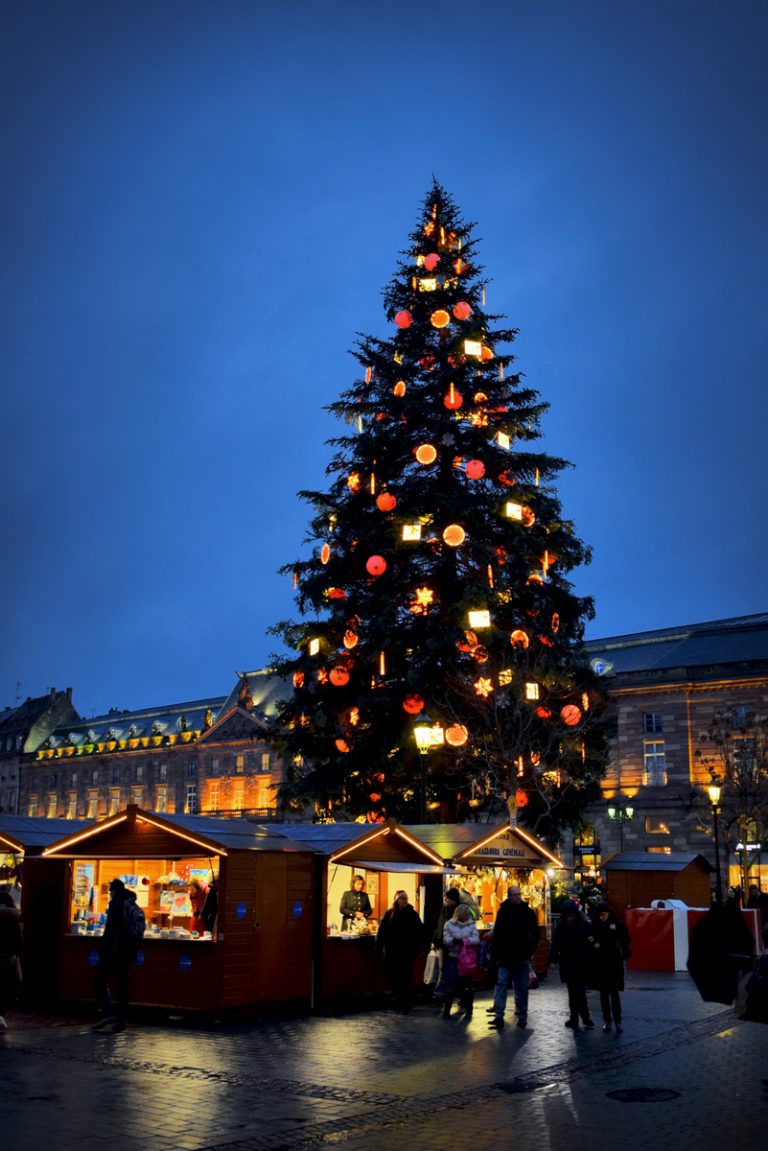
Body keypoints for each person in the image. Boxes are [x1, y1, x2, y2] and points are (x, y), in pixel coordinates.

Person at [93, 878, 145, 1033]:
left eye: (110, 892)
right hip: (127, 953)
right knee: (122, 987)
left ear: (113, 891)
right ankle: (120, 1020)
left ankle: (109, 1013)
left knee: (100, 981)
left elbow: (110, 931)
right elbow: (137, 931)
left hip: (113, 951)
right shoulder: (134, 906)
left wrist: (105, 949)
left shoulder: (117, 905)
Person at [487, 884, 540, 1029]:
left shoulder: (528, 913)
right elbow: (497, 932)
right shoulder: (503, 912)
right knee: (502, 984)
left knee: (521, 986)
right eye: (515, 894)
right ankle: (499, 1015)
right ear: (509, 896)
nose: (517, 897)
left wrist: (529, 951)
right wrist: (497, 952)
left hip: (521, 955)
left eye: (519, 894)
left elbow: (535, 934)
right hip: (505, 955)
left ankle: (522, 1015)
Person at [550, 899, 595, 1030]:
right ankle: (579, 1018)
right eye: (567, 916)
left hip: (578, 962)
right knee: (574, 991)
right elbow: (555, 943)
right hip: (570, 962)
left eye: (571, 916)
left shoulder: (577, 926)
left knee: (578, 991)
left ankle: (579, 1018)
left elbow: (588, 943)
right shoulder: (567, 926)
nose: (569, 919)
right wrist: (553, 959)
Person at [376, 890, 425, 1008]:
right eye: (402, 899)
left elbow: (419, 931)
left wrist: (418, 947)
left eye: (406, 899)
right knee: (394, 973)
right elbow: (382, 931)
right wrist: (380, 945)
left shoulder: (412, 914)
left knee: (406, 973)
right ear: (397, 900)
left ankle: (403, 996)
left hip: (407, 950)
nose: (405, 901)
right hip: (393, 949)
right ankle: (396, 994)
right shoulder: (389, 913)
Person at [588, 902, 631, 1032]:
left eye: (603, 914)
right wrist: (594, 943)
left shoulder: (617, 923)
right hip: (601, 963)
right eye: (599, 915)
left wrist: (616, 943)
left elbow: (626, 939)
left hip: (613, 962)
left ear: (608, 913)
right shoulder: (595, 924)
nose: (601, 917)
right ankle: (607, 1021)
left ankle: (617, 1020)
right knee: (604, 994)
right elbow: (589, 937)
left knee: (614, 993)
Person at [441, 903, 480, 1019]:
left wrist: (465, 941)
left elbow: (476, 939)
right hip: (453, 956)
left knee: (468, 983)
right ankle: (446, 1010)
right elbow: (446, 939)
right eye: (467, 914)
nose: (469, 916)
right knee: (451, 982)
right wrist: (453, 941)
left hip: (467, 959)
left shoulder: (471, 924)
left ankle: (469, 1010)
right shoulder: (449, 924)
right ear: (461, 914)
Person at [431, 888, 461, 1001]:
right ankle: (440, 994)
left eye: (447, 898)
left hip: (453, 945)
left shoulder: (459, 911)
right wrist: (435, 939)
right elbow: (439, 925)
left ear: (453, 899)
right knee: (443, 970)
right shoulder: (444, 910)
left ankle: (444, 994)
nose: (445, 899)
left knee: (451, 970)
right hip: (442, 944)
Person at [0, 890, 22, 1031]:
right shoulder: (14, 919)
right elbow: (18, 941)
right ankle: (1, 1015)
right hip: (7, 959)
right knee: (5, 988)